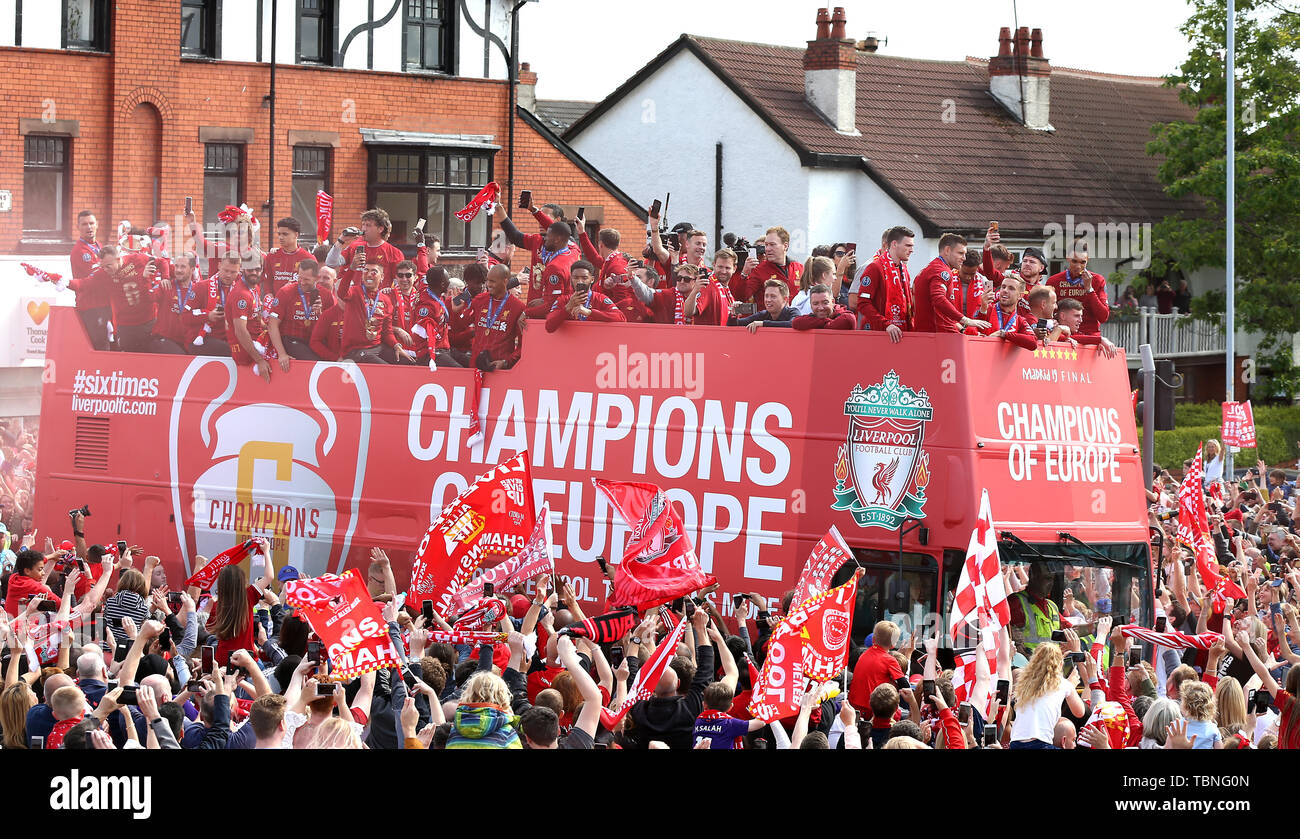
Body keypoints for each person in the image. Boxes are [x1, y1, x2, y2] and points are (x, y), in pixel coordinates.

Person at [627, 608, 713, 750]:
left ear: (652, 686)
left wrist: (635, 639)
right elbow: (706, 671)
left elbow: (631, 680)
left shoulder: (640, 710)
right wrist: (701, 629)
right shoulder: (689, 709)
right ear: (678, 683)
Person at [498, 208, 580, 319]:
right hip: (534, 309)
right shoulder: (538, 240)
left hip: (555, 312)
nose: (540, 222)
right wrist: (499, 208)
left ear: (557, 220)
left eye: (544, 217)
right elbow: (515, 237)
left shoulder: (570, 247)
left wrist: (535, 211)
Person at [1008, 639, 1087, 748]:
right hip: (1041, 744)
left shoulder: (1025, 683)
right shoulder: (1063, 683)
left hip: (1016, 743)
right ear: (1060, 665)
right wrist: (1071, 686)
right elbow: (1080, 712)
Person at [209, 543, 274, 667]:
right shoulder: (248, 596)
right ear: (242, 581)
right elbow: (269, 576)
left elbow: (207, 629)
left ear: (221, 584)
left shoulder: (216, 605)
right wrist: (266, 551)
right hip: (247, 661)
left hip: (223, 661)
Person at [912, 233, 990, 334]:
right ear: (947, 250)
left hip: (933, 334)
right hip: (939, 335)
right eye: (960, 253)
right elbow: (938, 299)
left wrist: (962, 328)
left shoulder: (932, 267)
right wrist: (965, 320)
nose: (964, 258)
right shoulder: (941, 270)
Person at [267, 258, 334, 364]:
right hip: (291, 339)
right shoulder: (286, 292)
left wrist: (321, 315)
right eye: (299, 277)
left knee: (331, 358)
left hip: (314, 342)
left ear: (316, 278)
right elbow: (272, 324)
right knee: (314, 362)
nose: (302, 282)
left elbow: (330, 327)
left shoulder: (326, 295)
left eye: (306, 279)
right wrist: (282, 354)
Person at [855, 226, 915, 341]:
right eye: (908, 245)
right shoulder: (874, 267)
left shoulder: (903, 269)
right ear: (894, 244)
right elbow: (863, 303)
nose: (912, 250)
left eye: (912, 246)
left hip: (900, 333)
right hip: (879, 335)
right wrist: (886, 324)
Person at [462, 264, 526, 371]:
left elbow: (523, 345)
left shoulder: (518, 307)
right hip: (475, 369)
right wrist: (456, 311)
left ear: (505, 281)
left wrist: (506, 362)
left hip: (499, 372)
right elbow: (461, 324)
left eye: (493, 281)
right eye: (487, 280)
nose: (488, 285)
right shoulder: (479, 300)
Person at [223, 256, 276, 382]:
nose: (254, 273)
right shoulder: (241, 294)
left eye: (257, 269)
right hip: (246, 352)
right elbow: (240, 331)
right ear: (242, 269)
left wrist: (270, 329)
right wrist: (260, 360)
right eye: (250, 269)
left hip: (258, 340)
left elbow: (256, 317)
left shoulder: (254, 287)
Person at [1046, 241, 1109, 336]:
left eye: (1083, 262)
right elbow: (1046, 312)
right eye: (1074, 261)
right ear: (1067, 258)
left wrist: (1090, 289)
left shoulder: (1097, 280)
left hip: (1089, 337)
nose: (1078, 267)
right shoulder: (1053, 281)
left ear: (1088, 260)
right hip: (1062, 336)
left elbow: (1103, 316)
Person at [336, 262, 394, 364]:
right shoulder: (354, 292)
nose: (369, 274)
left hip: (377, 347)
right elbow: (341, 292)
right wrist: (352, 269)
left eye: (374, 271)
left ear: (382, 277)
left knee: (405, 361)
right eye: (366, 270)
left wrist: (397, 345)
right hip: (355, 351)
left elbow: (387, 331)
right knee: (386, 368)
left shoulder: (386, 300)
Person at [330, 209, 406, 286]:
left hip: (379, 297)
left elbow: (399, 282)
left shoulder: (394, 253)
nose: (364, 229)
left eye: (368, 225)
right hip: (355, 296)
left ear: (380, 229)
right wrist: (340, 240)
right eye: (363, 224)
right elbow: (331, 263)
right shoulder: (354, 246)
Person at [70, 210, 111, 350]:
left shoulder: (99, 246)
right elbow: (98, 277)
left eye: (92, 223)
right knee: (100, 346)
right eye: (84, 224)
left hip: (103, 304)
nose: (89, 227)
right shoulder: (79, 251)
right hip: (91, 307)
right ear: (78, 227)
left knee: (107, 342)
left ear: (97, 225)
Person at [544, 262, 627, 332]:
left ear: (592, 279)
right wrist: (568, 307)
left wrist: (590, 313)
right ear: (571, 279)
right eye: (576, 278)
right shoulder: (563, 300)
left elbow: (621, 318)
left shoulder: (600, 299)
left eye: (584, 278)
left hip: (595, 346)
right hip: (569, 346)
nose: (580, 281)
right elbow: (549, 326)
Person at [847, 620, 909, 713]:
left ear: (873, 639)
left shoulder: (864, 653)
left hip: (853, 705)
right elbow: (904, 685)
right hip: (873, 709)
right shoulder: (890, 660)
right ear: (893, 644)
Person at [742, 227, 803, 308]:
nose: (767, 249)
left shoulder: (799, 268)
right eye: (766, 245)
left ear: (785, 246)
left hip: (795, 319)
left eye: (772, 245)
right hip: (768, 320)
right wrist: (744, 274)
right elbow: (742, 297)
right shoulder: (759, 270)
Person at [1009, 562, 1060, 657]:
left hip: (1052, 663)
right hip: (1028, 664)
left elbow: (1070, 630)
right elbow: (1005, 631)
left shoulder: (1052, 606)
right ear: (1033, 576)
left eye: (1053, 579)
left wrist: (1092, 627)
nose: (1051, 583)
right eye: (1047, 578)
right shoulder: (1016, 602)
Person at [973, 276, 1038, 350]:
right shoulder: (987, 308)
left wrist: (1003, 334)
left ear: (1020, 295)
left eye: (1011, 288)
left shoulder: (1020, 320)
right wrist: (983, 310)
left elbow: (1033, 342)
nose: (1005, 290)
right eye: (1003, 287)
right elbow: (971, 330)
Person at [378, 261, 422, 364]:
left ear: (415, 277)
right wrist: (397, 329)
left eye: (408, 275)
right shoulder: (387, 295)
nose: (404, 279)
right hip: (393, 348)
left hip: (417, 349)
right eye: (400, 275)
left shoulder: (421, 298)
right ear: (396, 277)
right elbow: (378, 325)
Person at [262, 218, 313, 299]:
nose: (280, 237)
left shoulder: (308, 258)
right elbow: (268, 280)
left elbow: (313, 285)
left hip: (299, 305)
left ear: (296, 235)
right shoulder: (272, 256)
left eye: (285, 234)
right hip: (276, 304)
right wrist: (269, 294)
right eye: (279, 234)